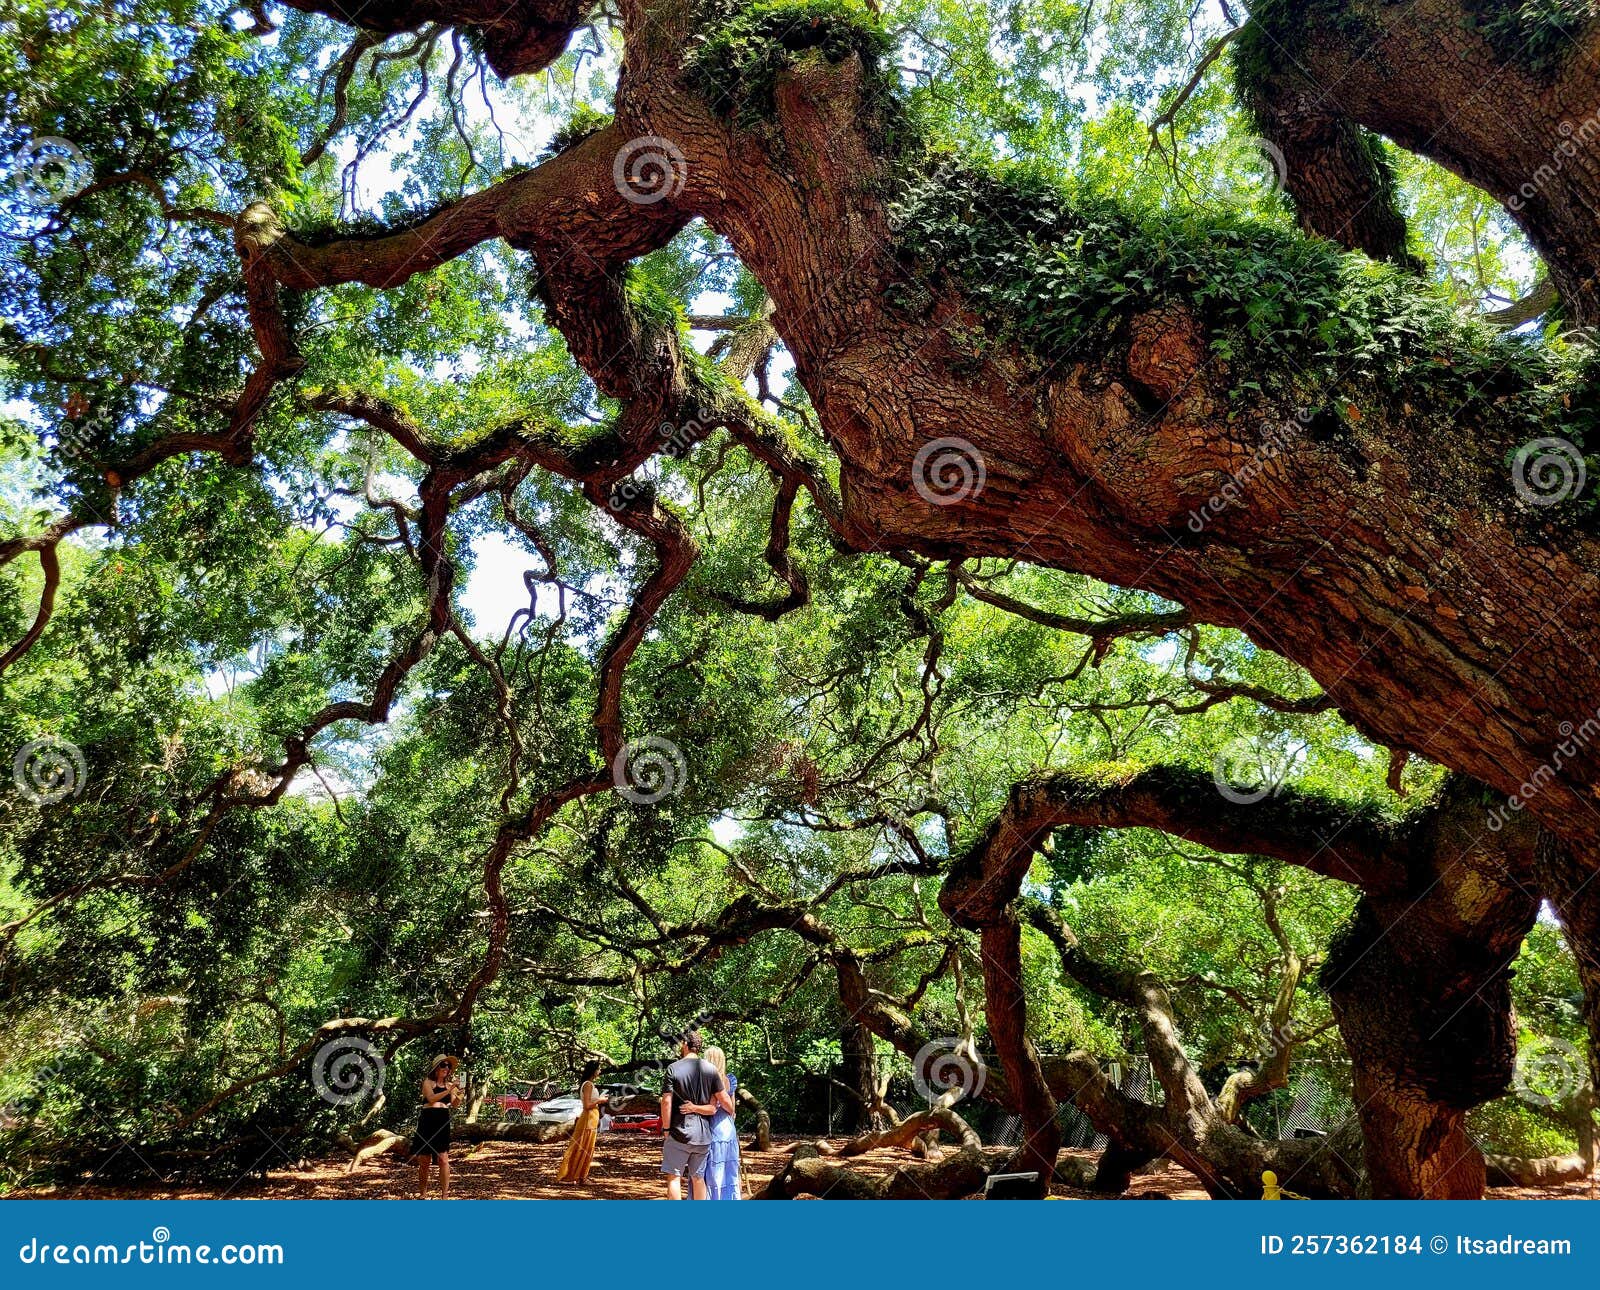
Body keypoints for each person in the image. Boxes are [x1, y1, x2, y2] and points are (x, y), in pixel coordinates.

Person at [659, 1028, 729, 1199]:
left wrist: (666, 1130)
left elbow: (666, 1101)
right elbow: (722, 1098)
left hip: (678, 1132)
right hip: (703, 1135)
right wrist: (732, 1110)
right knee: (698, 1178)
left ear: (685, 1044)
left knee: (674, 1178)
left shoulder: (673, 1069)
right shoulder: (711, 1070)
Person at [697, 1046, 742, 1200]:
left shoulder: (703, 1081)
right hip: (728, 1128)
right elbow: (732, 1110)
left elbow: (709, 1108)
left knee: (712, 1172)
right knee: (729, 1170)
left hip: (711, 1128)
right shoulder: (729, 1080)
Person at [413, 1054, 461, 1198]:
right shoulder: (428, 1082)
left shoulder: (450, 1085)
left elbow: (454, 1104)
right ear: (436, 1068)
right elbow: (432, 1098)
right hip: (427, 1120)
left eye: (448, 1066)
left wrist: (459, 1095)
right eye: (443, 1065)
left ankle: (445, 1195)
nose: (446, 1068)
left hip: (442, 1120)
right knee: (424, 1160)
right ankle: (423, 1193)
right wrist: (450, 1089)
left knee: (443, 1159)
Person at [556, 1059, 609, 1185]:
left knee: (588, 1148)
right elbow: (587, 1105)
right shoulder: (588, 1085)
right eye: (598, 1069)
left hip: (592, 1119)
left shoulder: (589, 1084)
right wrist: (599, 1100)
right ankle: (572, 1176)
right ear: (593, 1070)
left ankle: (581, 1176)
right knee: (582, 1147)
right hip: (587, 1119)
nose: (600, 1071)